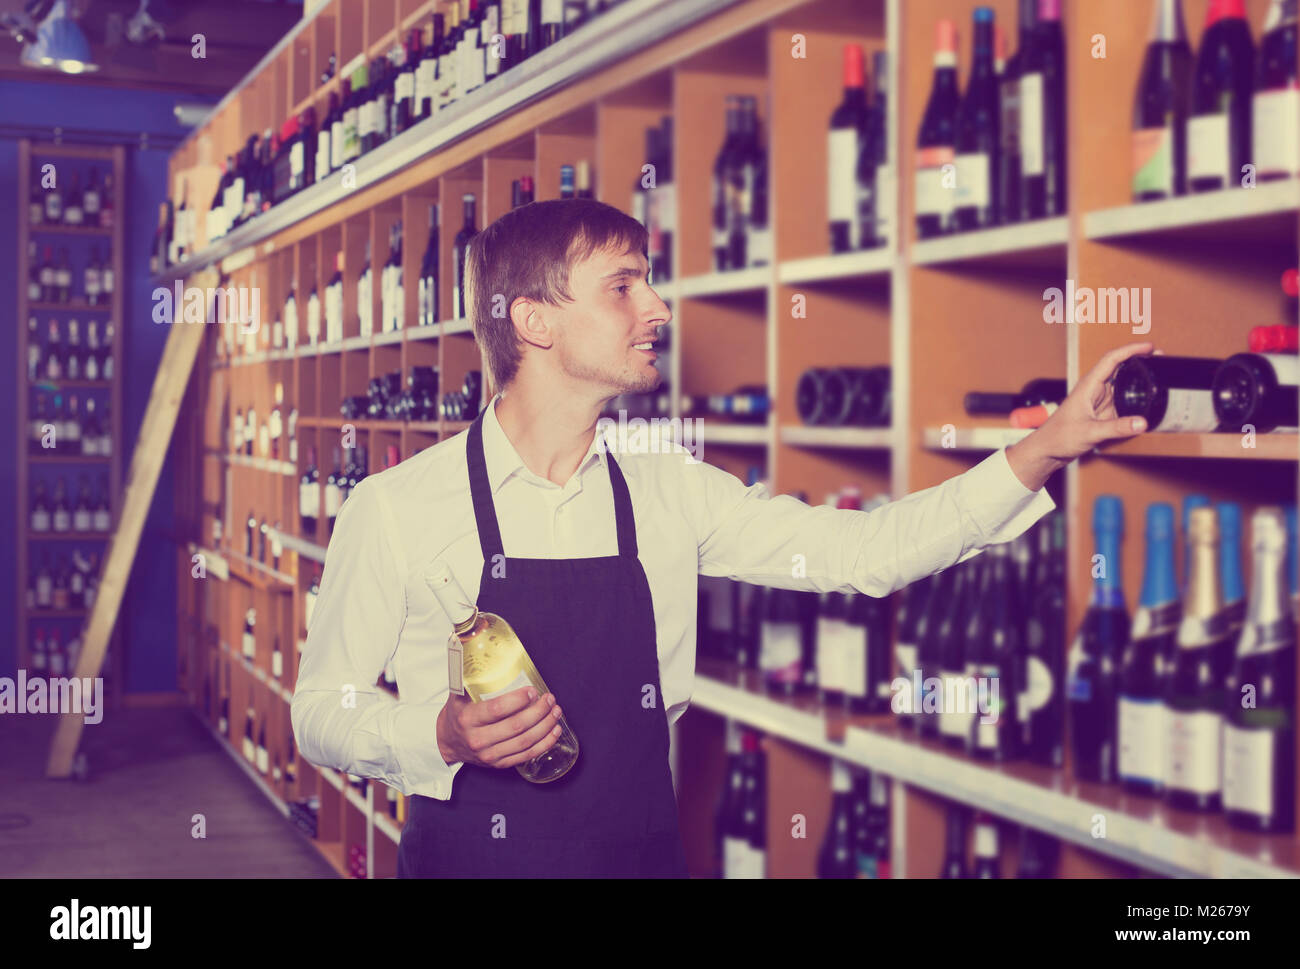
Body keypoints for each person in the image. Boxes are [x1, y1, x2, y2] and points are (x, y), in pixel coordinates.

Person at [291, 198, 1153, 878]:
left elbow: (868, 554)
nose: (659, 307)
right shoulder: (398, 505)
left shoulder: (672, 489)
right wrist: (437, 735)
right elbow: (320, 713)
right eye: (624, 285)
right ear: (534, 321)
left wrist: (1044, 448)